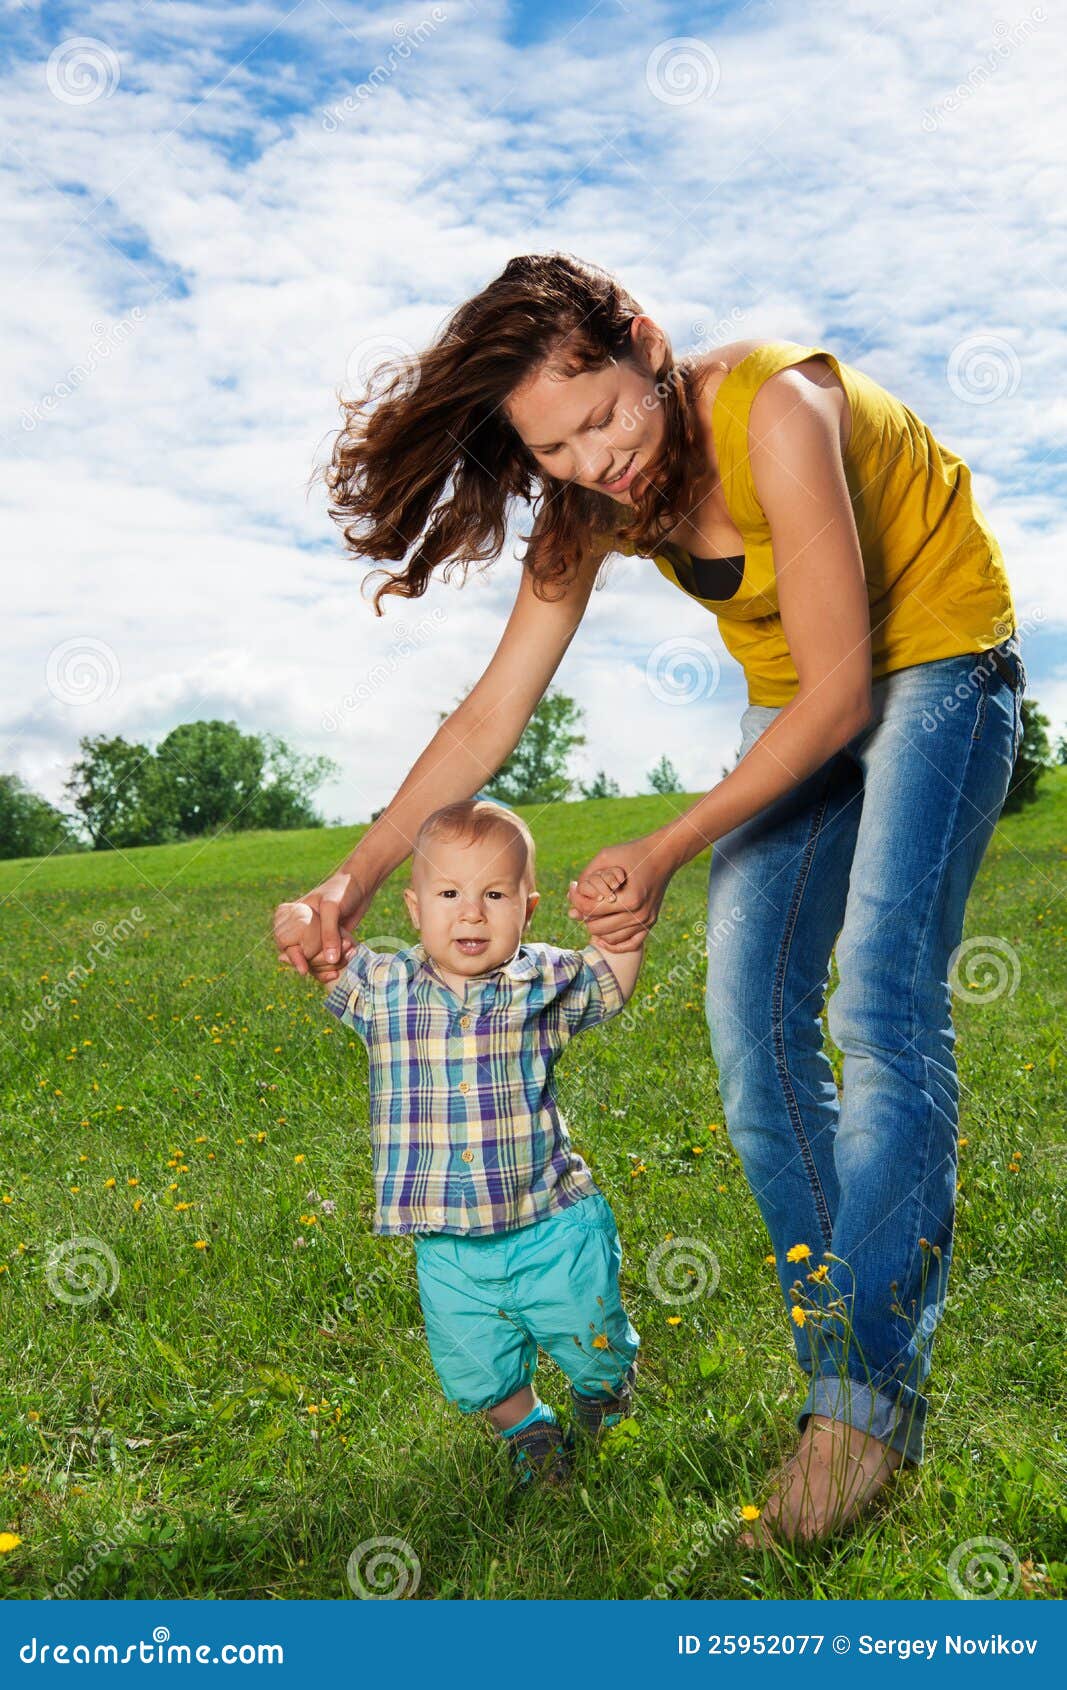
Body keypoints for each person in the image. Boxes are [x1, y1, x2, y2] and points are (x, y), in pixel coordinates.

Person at [273, 252, 1025, 1539]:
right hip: (799, 704)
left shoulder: (772, 408)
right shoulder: (586, 508)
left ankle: (860, 1416)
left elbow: (848, 691)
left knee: (882, 1015)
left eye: (605, 412)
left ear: (645, 342)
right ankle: (846, 1365)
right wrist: (355, 873)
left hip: (940, 664)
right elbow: (486, 719)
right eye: (554, 448)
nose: (595, 460)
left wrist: (667, 848)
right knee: (747, 1031)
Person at [275, 798, 643, 1487]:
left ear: (527, 909)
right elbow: (323, 952)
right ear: (414, 909)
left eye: (494, 895)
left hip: (550, 1222)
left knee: (590, 1337)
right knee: (474, 1362)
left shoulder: (542, 980)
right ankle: (528, 1429)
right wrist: (298, 921)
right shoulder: (384, 987)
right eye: (448, 893)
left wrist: (622, 927)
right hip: (445, 1241)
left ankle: (602, 1391)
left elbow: (611, 982)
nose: (470, 913)